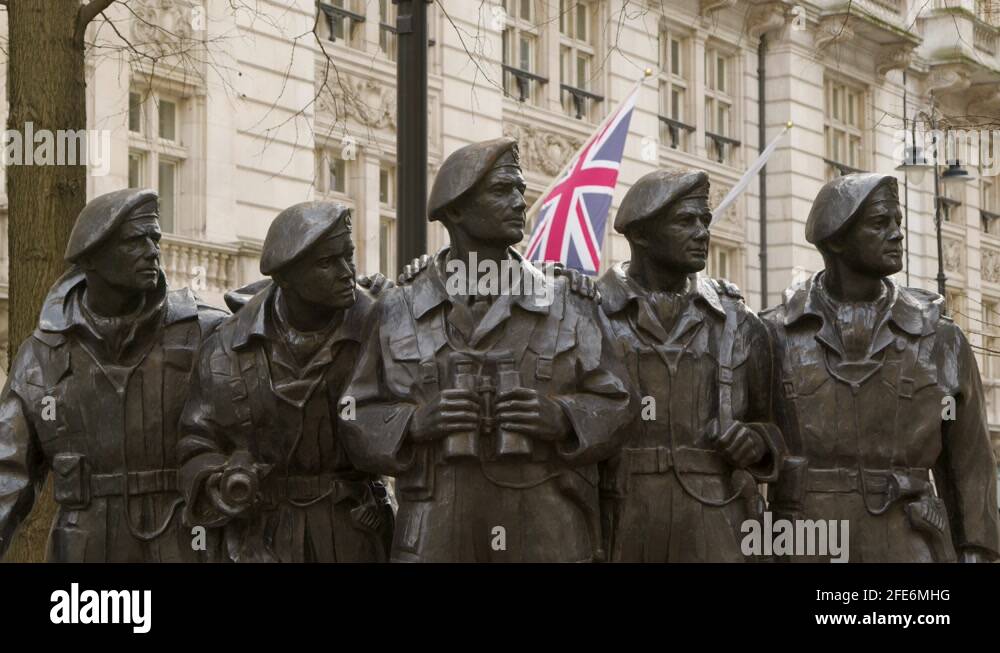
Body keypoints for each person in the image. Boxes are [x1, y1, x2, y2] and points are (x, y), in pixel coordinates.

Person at [340, 137, 633, 562]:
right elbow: (352, 411)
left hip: (545, 527)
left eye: (519, 190)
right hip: (438, 528)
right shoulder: (399, 307)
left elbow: (621, 403)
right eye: (502, 191)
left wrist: (564, 417)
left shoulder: (568, 302)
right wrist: (412, 423)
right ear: (456, 210)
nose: (519, 202)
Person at [762, 173, 1000, 562]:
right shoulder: (774, 335)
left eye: (898, 222)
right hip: (805, 542)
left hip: (909, 540)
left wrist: (977, 551)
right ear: (836, 238)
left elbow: (971, 464)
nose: (896, 234)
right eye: (879, 224)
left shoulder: (941, 339)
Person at [0, 188, 227, 562]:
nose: (153, 252)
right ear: (93, 258)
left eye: (155, 239)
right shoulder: (44, 354)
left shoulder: (203, 331)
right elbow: (8, 471)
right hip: (84, 544)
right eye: (136, 242)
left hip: (180, 541)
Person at [177, 201, 393, 562]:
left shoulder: (380, 325)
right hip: (261, 536)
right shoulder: (228, 344)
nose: (347, 272)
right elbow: (197, 440)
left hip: (351, 533)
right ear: (287, 277)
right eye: (328, 263)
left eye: (348, 256)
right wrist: (217, 479)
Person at [597, 169, 783, 562]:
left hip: (716, 516)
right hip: (622, 513)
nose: (702, 233)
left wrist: (757, 443)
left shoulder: (739, 322)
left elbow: (774, 427)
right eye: (686, 221)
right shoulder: (593, 315)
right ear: (641, 234)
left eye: (705, 221)